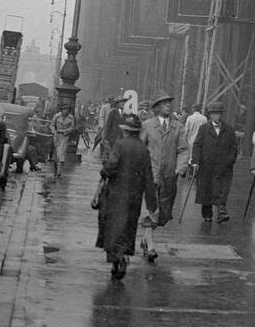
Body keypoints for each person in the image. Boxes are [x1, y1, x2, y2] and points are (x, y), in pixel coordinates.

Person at [96, 113, 158, 281]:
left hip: (117, 194)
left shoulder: (120, 144)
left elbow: (111, 166)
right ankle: (123, 253)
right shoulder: (143, 150)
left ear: (125, 130)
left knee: (114, 226)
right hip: (134, 196)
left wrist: (104, 171)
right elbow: (148, 176)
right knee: (129, 226)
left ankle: (117, 258)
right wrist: (152, 202)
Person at [140, 92, 189, 226]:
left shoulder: (178, 127)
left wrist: (180, 168)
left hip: (169, 176)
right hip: (150, 173)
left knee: (164, 213)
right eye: (164, 103)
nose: (168, 105)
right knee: (150, 208)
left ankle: (148, 236)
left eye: (169, 102)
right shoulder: (147, 125)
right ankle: (148, 240)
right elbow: (140, 148)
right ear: (157, 107)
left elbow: (183, 150)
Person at [190, 103, 238, 223]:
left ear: (221, 115)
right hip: (207, 165)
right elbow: (197, 145)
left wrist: (230, 160)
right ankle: (207, 215)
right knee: (206, 189)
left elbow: (234, 147)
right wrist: (195, 161)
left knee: (221, 189)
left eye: (218, 113)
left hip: (223, 166)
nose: (216, 116)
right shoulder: (204, 129)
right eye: (214, 114)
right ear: (210, 115)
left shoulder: (229, 130)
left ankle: (222, 212)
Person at [50, 102, 76, 178]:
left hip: (65, 136)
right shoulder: (57, 116)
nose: (65, 111)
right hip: (57, 135)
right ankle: (56, 169)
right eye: (64, 109)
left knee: (61, 153)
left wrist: (67, 131)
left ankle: (59, 171)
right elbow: (51, 125)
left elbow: (72, 127)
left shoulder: (71, 117)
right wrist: (54, 132)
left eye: (67, 109)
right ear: (62, 109)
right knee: (56, 154)